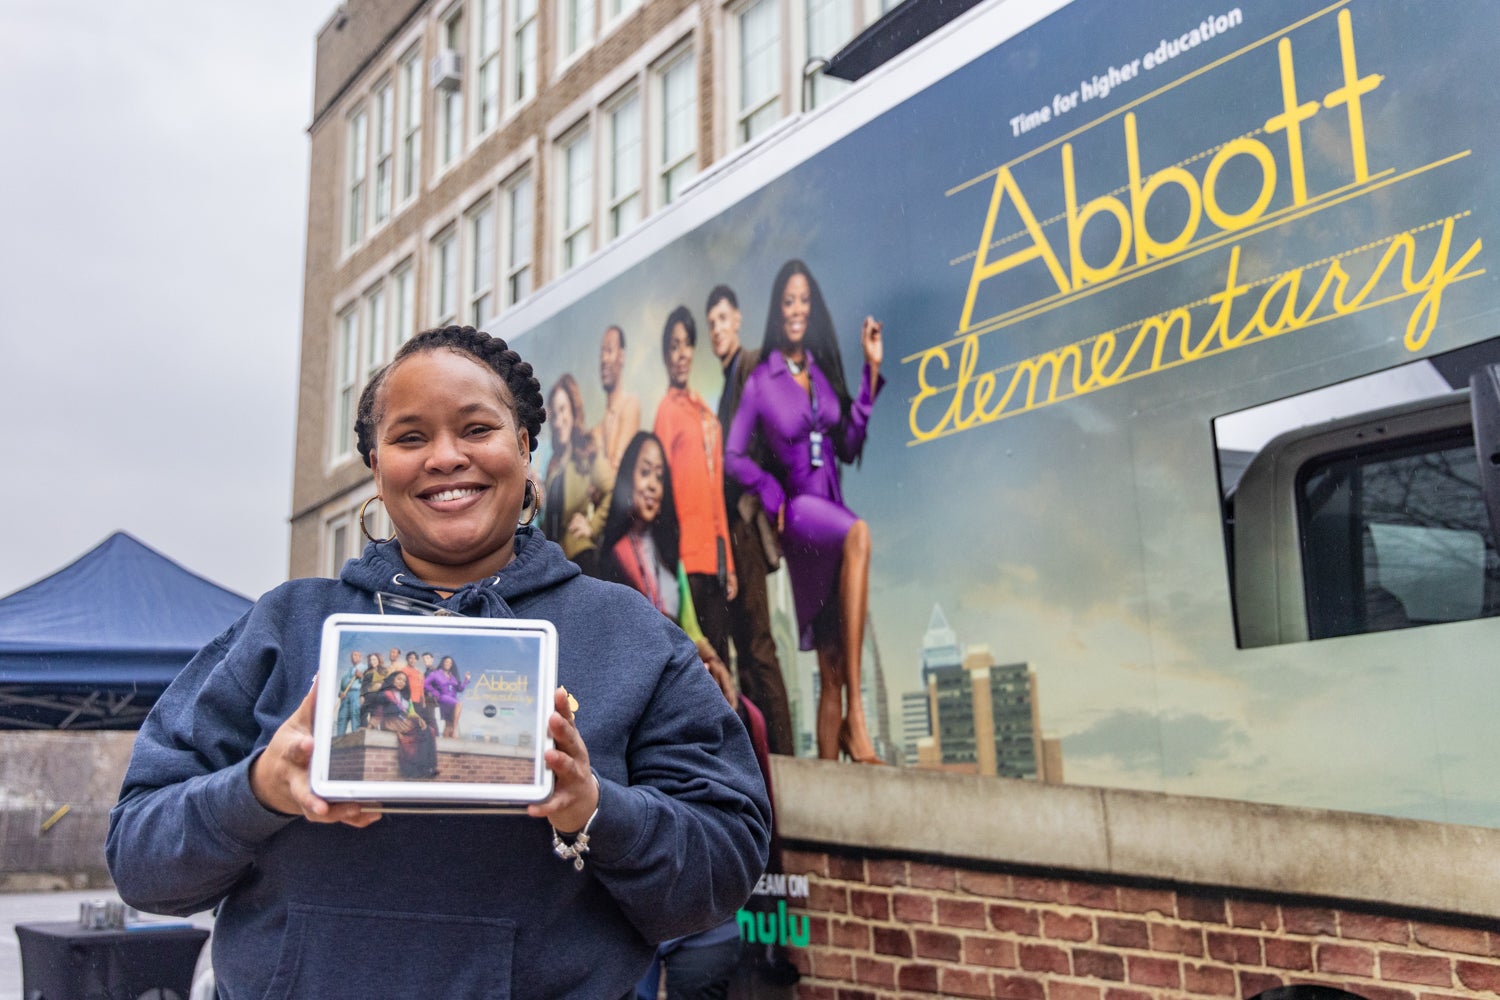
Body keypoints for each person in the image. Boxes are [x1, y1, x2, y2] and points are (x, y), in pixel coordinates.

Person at [107, 325, 770, 1000]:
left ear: (524, 447)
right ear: (375, 467)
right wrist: (259, 790)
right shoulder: (284, 627)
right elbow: (140, 859)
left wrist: (593, 808)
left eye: (476, 428)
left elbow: (723, 870)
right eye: (411, 437)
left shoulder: (632, 636)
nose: (446, 457)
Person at [726, 260, 886, 764]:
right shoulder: (761, 381)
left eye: (804, 301)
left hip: (831, 505)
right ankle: (857, 719)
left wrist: (871, 372)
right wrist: (771, 491)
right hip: (799, 514)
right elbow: (732, 456)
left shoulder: (819, 371)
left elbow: (850, 441)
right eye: (788, 301)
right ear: (778, 309)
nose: (797, 310)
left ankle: (830, 763)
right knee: (860, 534)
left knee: (831, 663)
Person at [707, 284, 795, 757]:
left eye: (724, 319)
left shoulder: (753, 364)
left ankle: (783, 759)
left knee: (759, 646)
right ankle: (766, 755)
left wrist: (759, 494)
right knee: (746, 647)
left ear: (737, 319)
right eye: (712, 324)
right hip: (733, 531)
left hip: (746, 524)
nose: (719, 330)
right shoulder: (727, 382)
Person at [652, 305, 737, 667]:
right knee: (696, 668)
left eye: (686, 344)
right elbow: (663, 498)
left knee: (722, 662)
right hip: (685, 563)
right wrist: (673, 563)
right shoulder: (666, 412)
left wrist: (729, 564)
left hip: (714, 561)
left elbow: (716, 489)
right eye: (673, 346)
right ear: (666, 356)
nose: (681, 353)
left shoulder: (705, 413)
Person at [543, 373, 614, 577]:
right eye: (554, 414)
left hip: (583, 558)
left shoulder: (587, 450)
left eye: (563, 409)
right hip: (558, 564)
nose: (558, 421)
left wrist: (592, 527)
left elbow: (611, 490)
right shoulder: (553, 465)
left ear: (574, 411)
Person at [370, 671, 438, 778]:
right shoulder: (385, 693)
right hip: (392, 722)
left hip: (404, 722)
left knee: (429, 730)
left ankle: (428, 767)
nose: (402, 682)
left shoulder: (404, 698)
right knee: (425, 731)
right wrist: (370, 726)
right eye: (399, 679)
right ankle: (423, 768)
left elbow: (410, 713)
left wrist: (419, 718)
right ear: (392, 679)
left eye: (404, 681)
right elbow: (378, 712)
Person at [597, 324, 641, 470]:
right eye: (602, 353)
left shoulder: (630, 405)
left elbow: (617, 471)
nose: (603, 359)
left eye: (609, 350)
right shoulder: (600, 425)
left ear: (621, 356)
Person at [426, 655, 472, 738]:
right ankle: (455, 730)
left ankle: (446, 746)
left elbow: (460, 689)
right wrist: (435, 692)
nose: (448, 664)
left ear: (452, 665)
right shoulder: (435, 674)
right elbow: (425, 684)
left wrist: (466, 680)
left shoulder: (452, 676)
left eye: (450, 663)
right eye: (446, 662)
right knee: (459, 704)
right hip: (443, 697)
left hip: (452, 700)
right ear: (443, 663)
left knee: (448, 725)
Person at [335, 650, 365, 736]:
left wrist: (362, 676)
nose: (353, 657)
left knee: (355, 715)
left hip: (356, 693)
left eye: (356, 655)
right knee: (342, 717)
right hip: (345, 695)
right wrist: (340, 693)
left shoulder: (364, 668)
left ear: (360, 657)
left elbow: (368, 682)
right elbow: (342, 685)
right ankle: (339, 739)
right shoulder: (347, 671)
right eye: (352, 656)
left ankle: (356, 737)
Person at [357, 650, 389, 728]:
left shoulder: (384, 670)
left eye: (374, 659)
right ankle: (363, 728)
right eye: (370, 660)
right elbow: (363, 685)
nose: (372, 661)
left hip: (379, 695)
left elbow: (387, 682)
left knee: (374, 713)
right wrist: (361, 695)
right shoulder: (367, 671)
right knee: (362, 711)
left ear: (379, 660)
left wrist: (380, 685)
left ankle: (373, 729)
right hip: (367, 694)